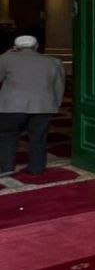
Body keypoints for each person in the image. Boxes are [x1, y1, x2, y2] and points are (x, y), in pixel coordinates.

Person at [0, 35, 65, 177]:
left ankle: (6, 167)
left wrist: (4, 55)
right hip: (43, 106)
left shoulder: (5, 59)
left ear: (16, 47)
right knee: (39, 138)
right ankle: (36, 168)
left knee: (7, 136)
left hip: (11, 106)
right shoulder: (53, 61)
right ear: (36, 46)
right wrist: (56, 104)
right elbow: (59, 87)